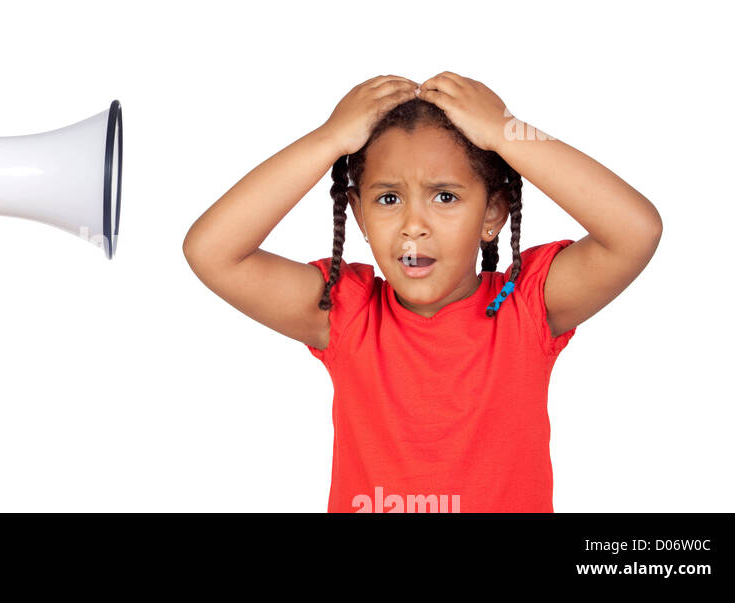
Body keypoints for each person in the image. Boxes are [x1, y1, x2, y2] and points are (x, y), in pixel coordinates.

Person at [183, 73, 662, 512]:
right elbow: (212, 251)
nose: (414, 226)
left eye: (445, 197)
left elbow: (635, 231)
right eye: (388, 199)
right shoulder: (346, 312)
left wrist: (506, 132)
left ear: (493, 214)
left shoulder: (526, 306)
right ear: (359, 214)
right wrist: (328, 139)